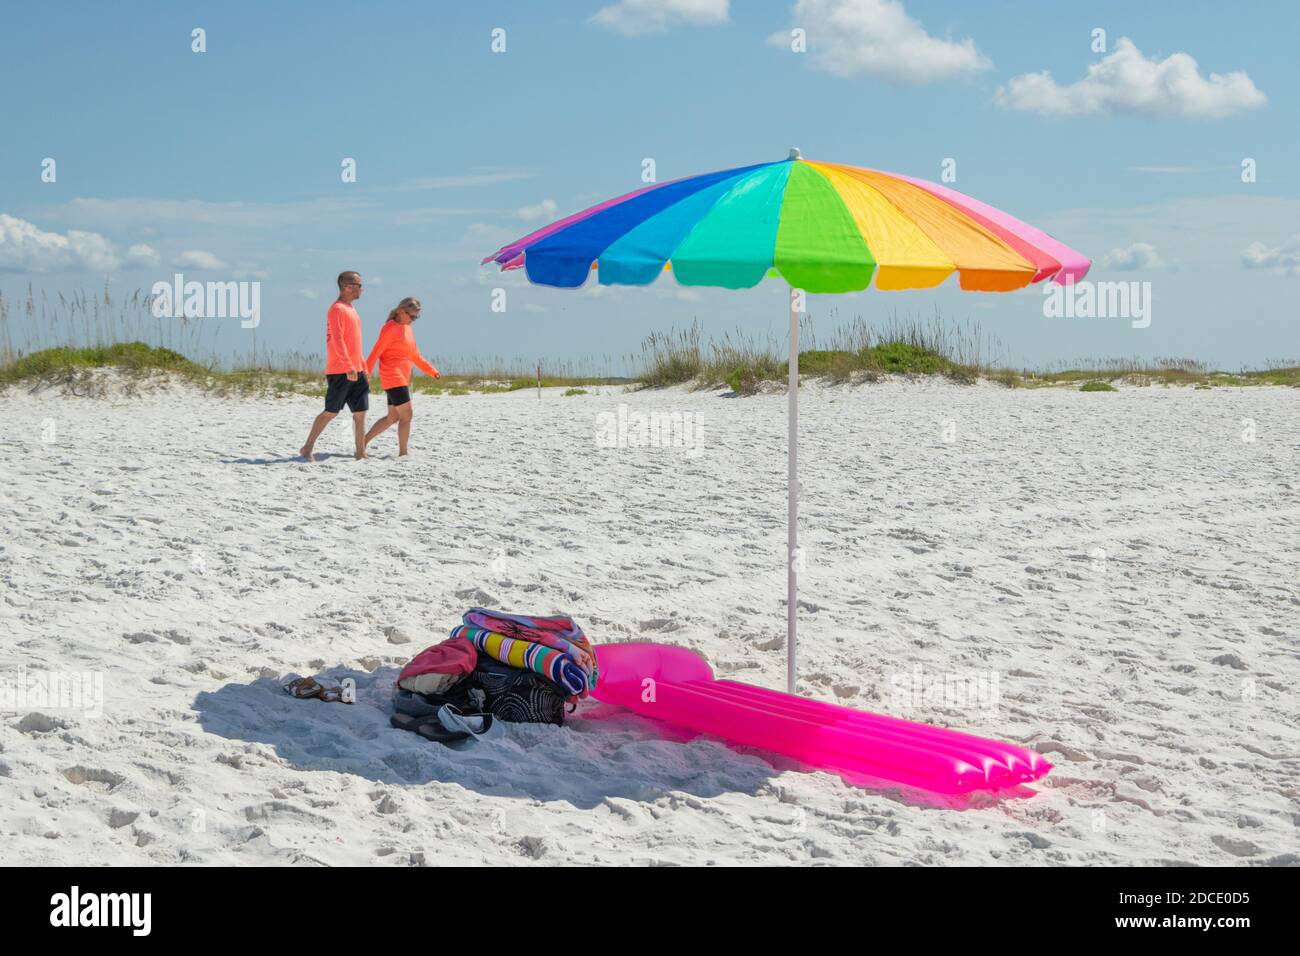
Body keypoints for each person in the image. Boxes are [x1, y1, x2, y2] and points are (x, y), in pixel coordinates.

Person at [300, 271, 370, 461]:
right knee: (331, 412)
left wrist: (363, 367)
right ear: (347, 286)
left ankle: (360, 452)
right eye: (359, 285)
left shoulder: (351, 308)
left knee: (360, 413)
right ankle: (307, 447)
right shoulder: (337, 309)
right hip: (341, 371)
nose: (362, 289)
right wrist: (348, 366)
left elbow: (355, 343)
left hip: (357, 370)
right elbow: (337, 341)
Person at [362, 297, 440, 456]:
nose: (414, 320)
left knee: (392, 417)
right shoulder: (390, 328)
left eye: (416, 317)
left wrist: (431, 371)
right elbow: (376, 351)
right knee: (407, 415)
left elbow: (415, 355)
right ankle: (403, 453)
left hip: (403, 378)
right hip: (393, 375)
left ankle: (362, 442)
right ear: (401, 311)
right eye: (412, 316)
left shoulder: (408, 329)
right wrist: (366, 372)